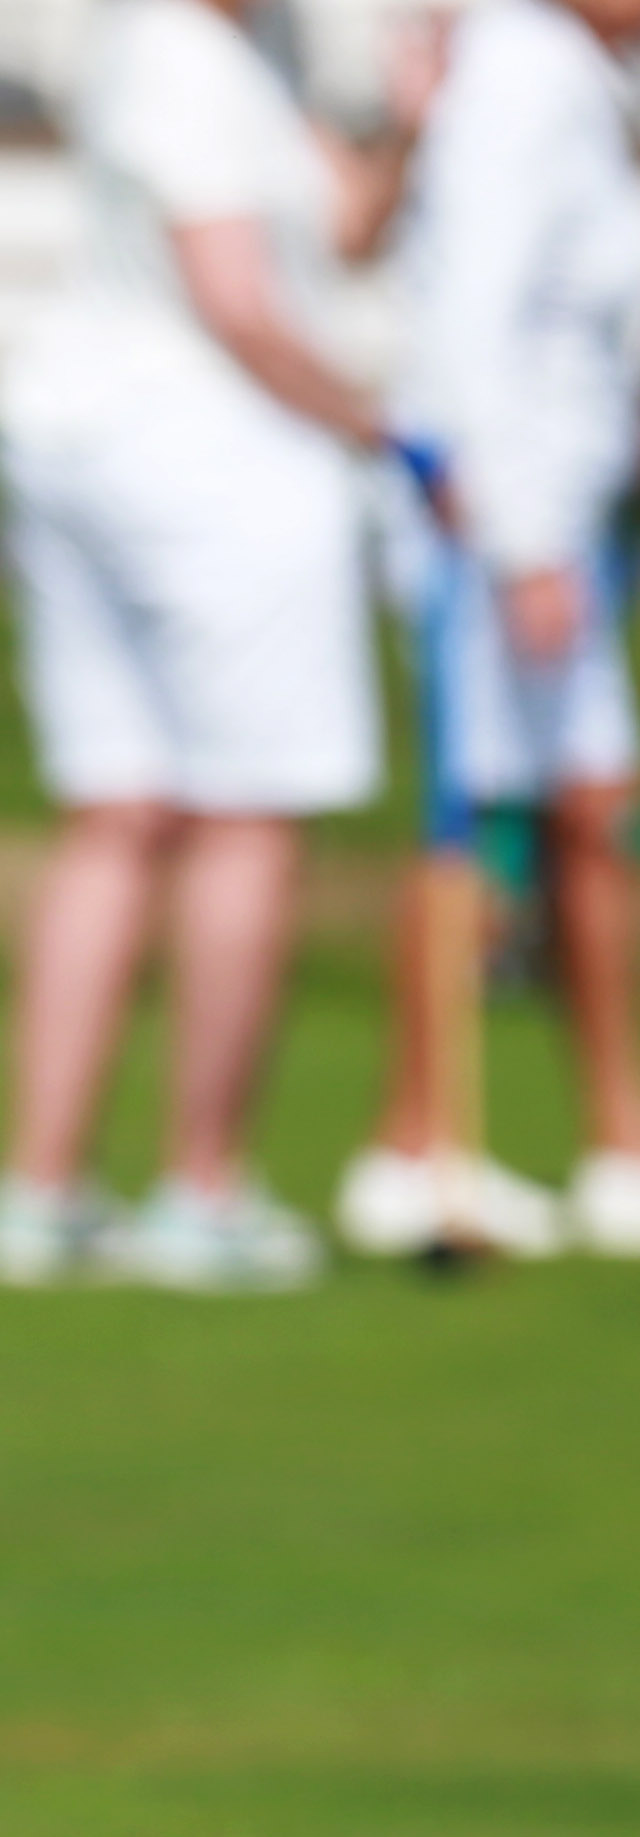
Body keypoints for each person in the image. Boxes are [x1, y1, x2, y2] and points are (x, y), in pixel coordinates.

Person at [0, 0, 421, 1294]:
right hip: (205, 465)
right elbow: (242, 306)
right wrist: (385, 434)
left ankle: (45, 1190)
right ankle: (202, 1187)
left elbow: (343, 232)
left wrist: (406, 120)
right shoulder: (183, 57)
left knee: (119, 809)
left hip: (89, 446)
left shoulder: (233, 61)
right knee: (247, 817)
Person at [339, 0, 640, 1264]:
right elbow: (473, 316)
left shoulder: (576, 73)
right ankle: (416, 1146)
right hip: (505, 521)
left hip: (564, 506)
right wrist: (514, 537)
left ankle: (614, 1143)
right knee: (485, 815)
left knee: (585, 807)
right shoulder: (523, 76)